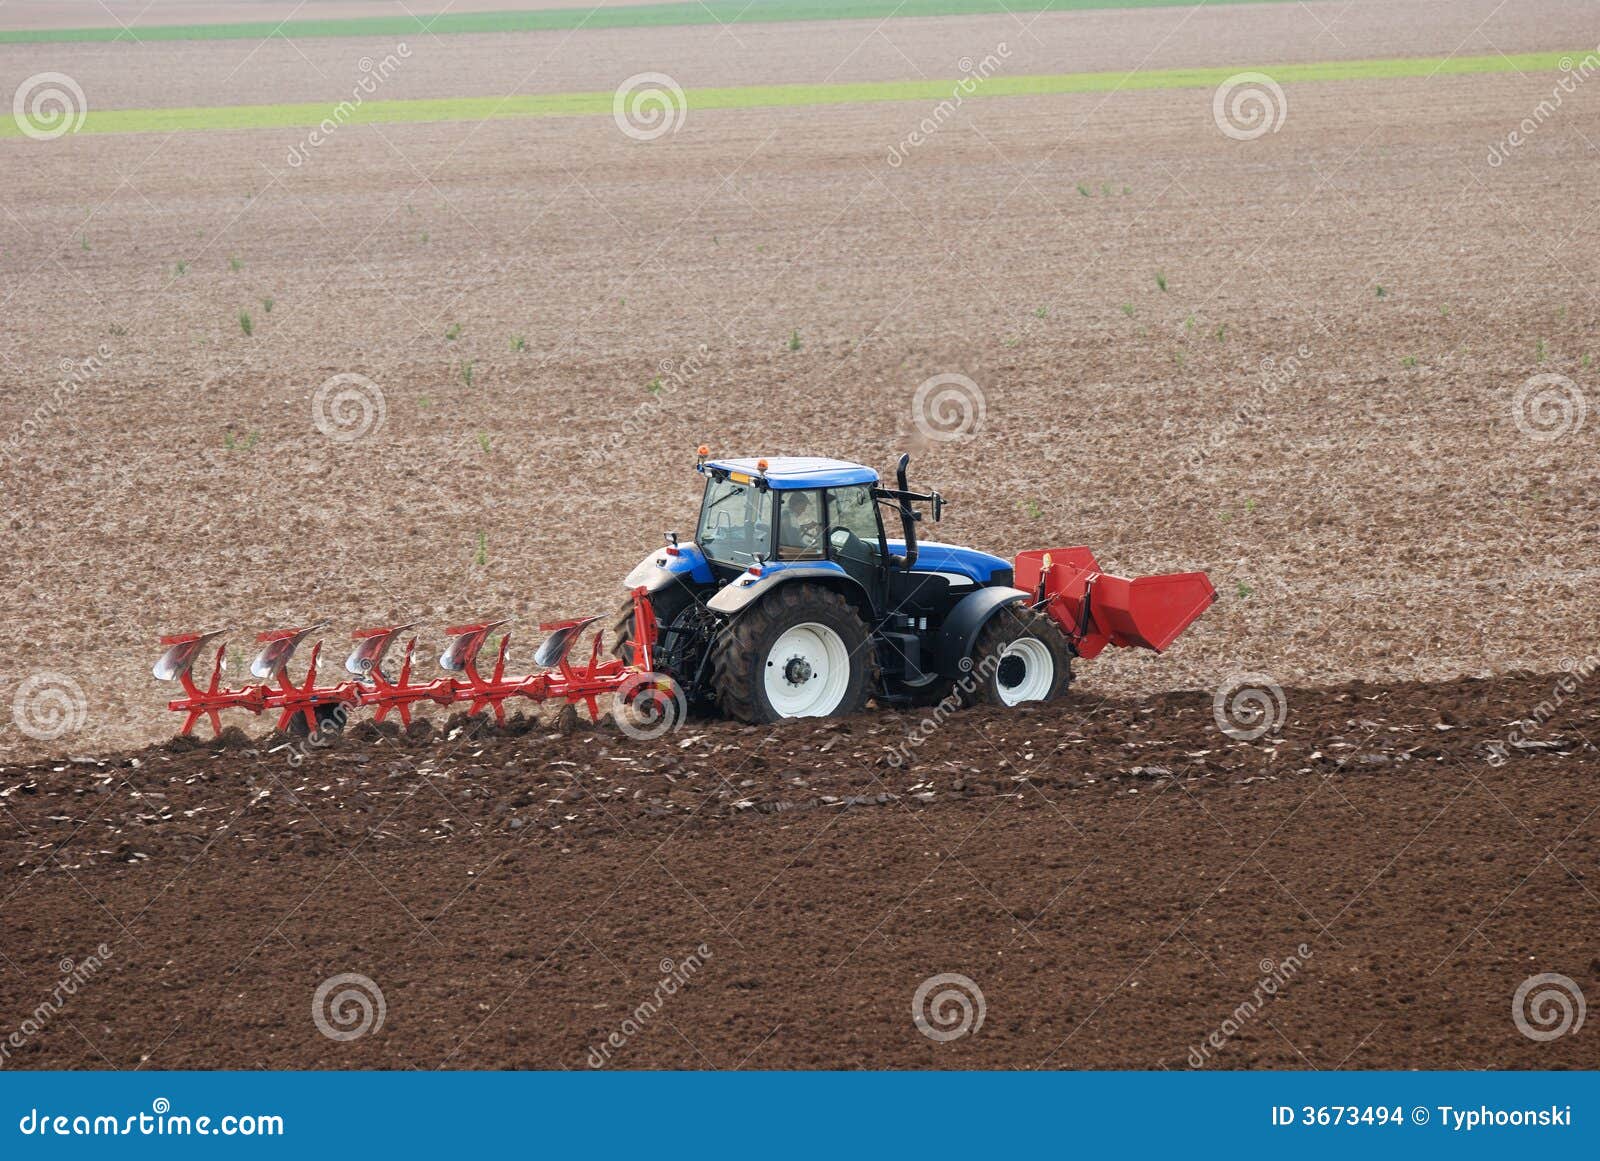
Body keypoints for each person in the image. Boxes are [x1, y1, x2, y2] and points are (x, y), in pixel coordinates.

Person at [779, 491, 822, 557]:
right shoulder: (789, 517)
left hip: (787, 550)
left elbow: (791, 529)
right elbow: (794, 544)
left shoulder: (786, 514)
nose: (804, 510)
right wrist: (813, 548)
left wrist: (805, 526)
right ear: (796, 504)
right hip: (789, 553)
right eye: (803, 506)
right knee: (820, 553)